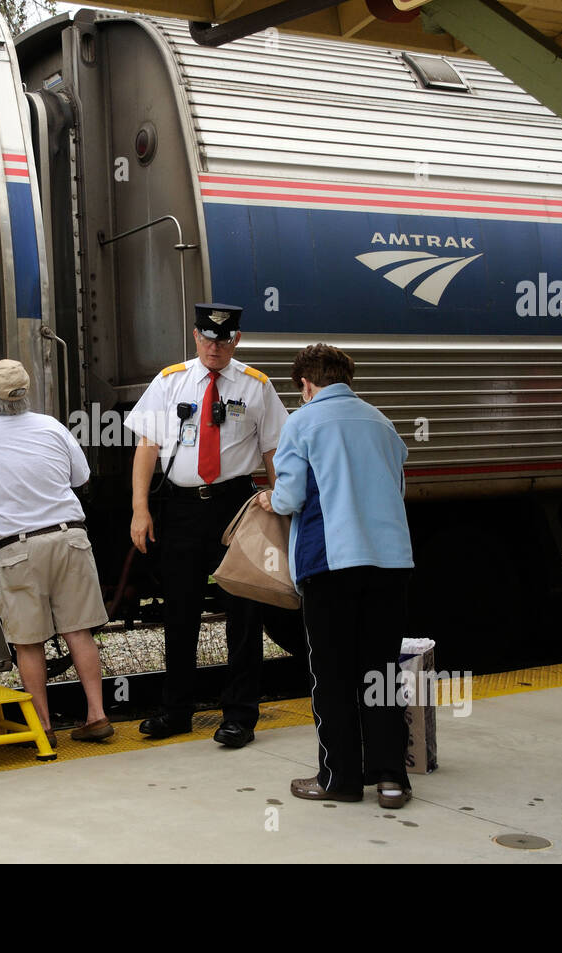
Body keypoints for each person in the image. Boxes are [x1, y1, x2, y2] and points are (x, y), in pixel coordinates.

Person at [256, 343, 415, 808]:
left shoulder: (302, 422)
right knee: (381, 670)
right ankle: (391, 779)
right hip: (390, 563)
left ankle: (340, 778)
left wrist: (269, 499)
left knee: (333, 674)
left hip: (331, 563)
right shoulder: (382, 423)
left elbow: (289, 498)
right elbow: (397, 487)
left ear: (306, 384)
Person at [124, 303, 288, 747]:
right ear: (195, 337)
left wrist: (282, 510)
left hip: (238, 507)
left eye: (224, 340)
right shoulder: (169, 381)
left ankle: (239, 716)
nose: (215, 348)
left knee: (244, 611)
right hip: (180, 509)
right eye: (207, 339)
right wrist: (140, 509)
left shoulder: (257, 386)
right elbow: (147, 446)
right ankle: (175, 711)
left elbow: (274, 451)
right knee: (180, 612)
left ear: (237, 341)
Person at [0, 360, 113, 745]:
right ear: (26, 394)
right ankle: (97, 715)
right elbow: (82, 478)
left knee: (28, 641)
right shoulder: (53, 427)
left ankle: (43, 727)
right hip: (69, 538)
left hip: (18, 548)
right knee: (79, 631)